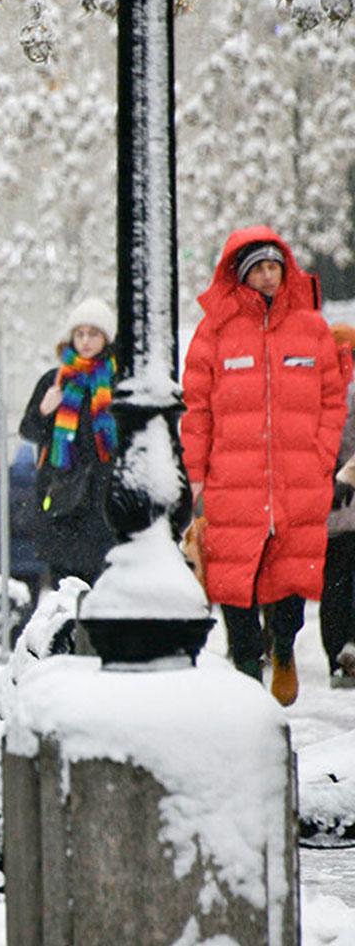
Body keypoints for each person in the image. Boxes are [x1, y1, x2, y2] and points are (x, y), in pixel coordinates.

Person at [183, 227, 350, 705]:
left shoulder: (312, 328)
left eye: (274, 267)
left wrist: (320, 457)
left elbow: (331, 398)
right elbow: (197, 409)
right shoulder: (214, 330)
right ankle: (244, 663)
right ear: (240, 274)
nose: (267, 276)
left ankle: (283, 645)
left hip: (297, 477)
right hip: (232, 478)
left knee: (292, 574)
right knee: (233, 577)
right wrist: (198, 475)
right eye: (257, 268)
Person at [18, 298, 122, 593]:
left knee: (102, 589)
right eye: (80, 334)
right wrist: (44, 411)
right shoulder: (55, 381)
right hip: (63, 501)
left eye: (94, 334)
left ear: (107, 338)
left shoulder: (116, 382)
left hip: (104, 501)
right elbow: (29, 430)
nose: (86, 341)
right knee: (66, 589)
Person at [321, 324, 355, 684]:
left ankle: (339, 653)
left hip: (332, 499)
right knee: (338, 581)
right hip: (334, 501)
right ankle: (343, 651)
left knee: (335, 582)